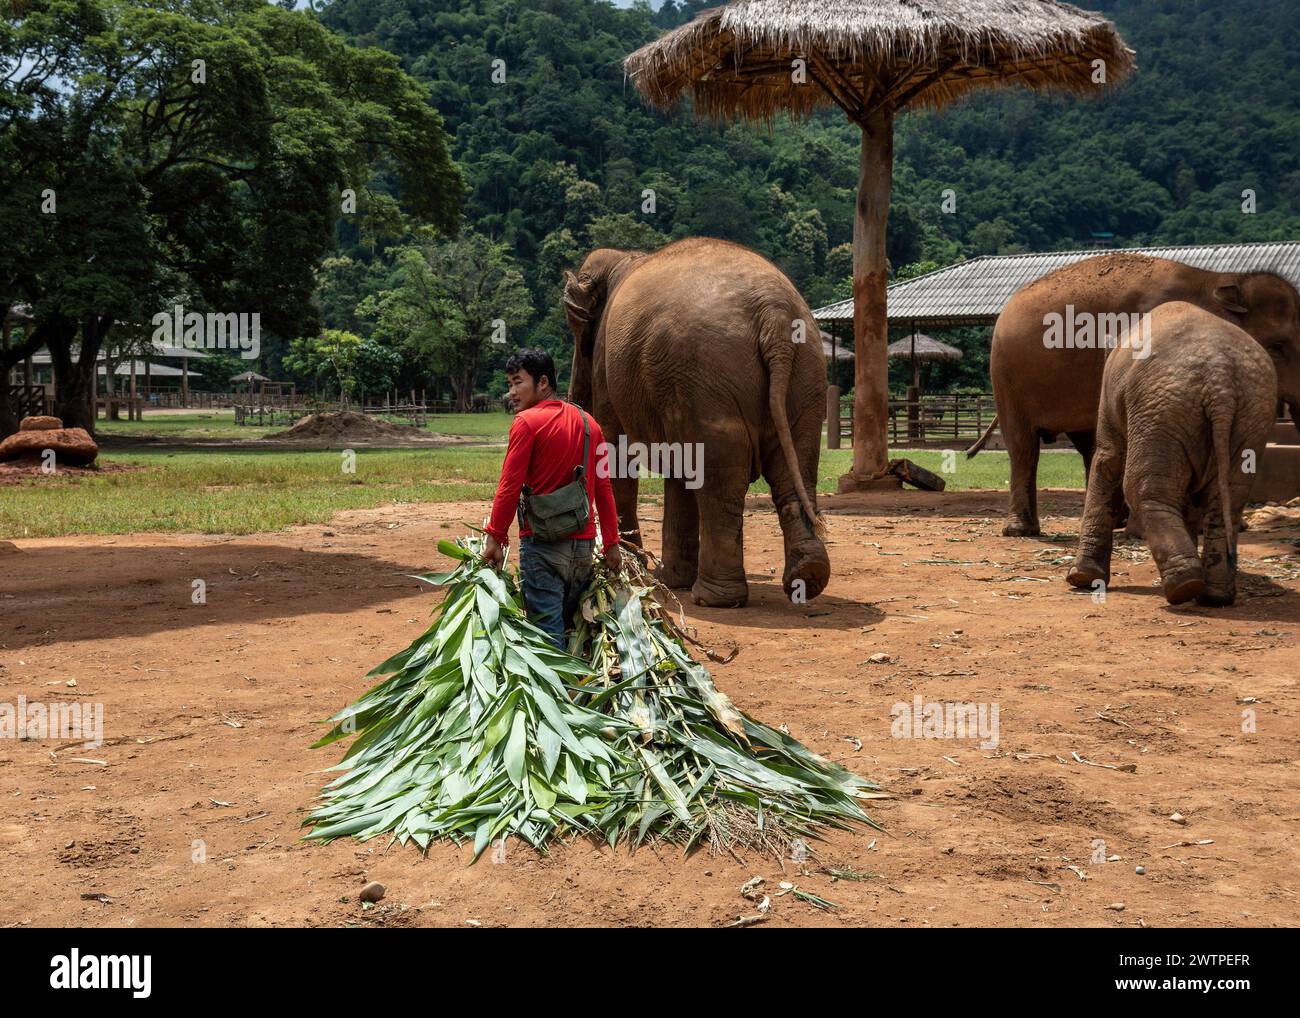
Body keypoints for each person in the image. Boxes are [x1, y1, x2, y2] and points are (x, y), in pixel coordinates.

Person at [484, 348, 621, 648]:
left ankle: (556, 693)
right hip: (583, 549)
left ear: (542, 382)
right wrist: (611, 543)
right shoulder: (590, 424)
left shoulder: (526, 423)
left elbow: (510, 486)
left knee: (548, 639)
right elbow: (604, 488)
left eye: (518, 382)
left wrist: (495, 537)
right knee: (573, 629)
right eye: (509, 384)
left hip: (543, 547)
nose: (512, 392)